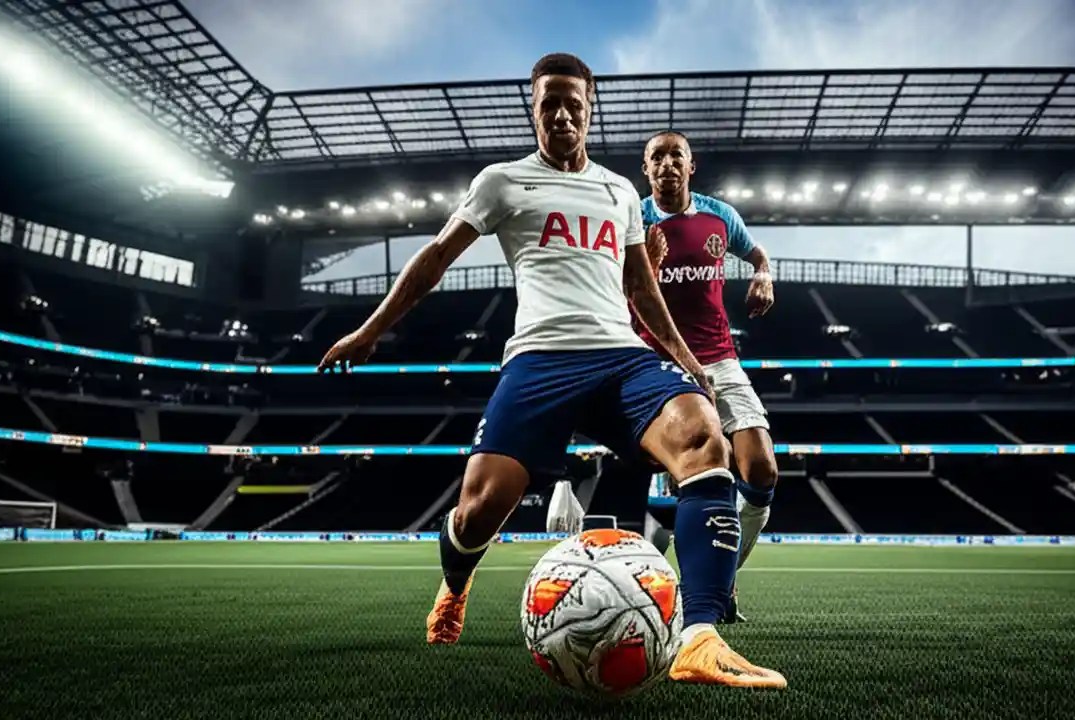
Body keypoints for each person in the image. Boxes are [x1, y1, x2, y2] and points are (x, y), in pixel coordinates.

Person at [319, 52, 785, 690]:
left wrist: (682, 358)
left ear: (591, 109)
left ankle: (699, 637)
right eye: (549, 104)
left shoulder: (620, 190)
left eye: (574, 103)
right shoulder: (503, 181)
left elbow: (641, 288)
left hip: (621, 357)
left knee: (704, 437)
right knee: (480, 509)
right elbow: (435, 257)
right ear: (532, 109)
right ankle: (455, 586)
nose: (562, 114)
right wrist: (369, 333)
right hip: (539, 361)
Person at [635, 131, 779, 624]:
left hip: (719, 359)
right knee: (677, 487)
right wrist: (646, 269)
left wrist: (763, 273)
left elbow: (756, 253)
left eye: (677, 155)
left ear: (691, 167)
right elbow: (611, 291)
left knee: (761, 471)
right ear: (646, 169)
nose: (668, 163)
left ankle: (722, 580)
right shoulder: (631, 220)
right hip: (656, 364)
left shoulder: (720, 216)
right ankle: (668, 597)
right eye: (658, 156)